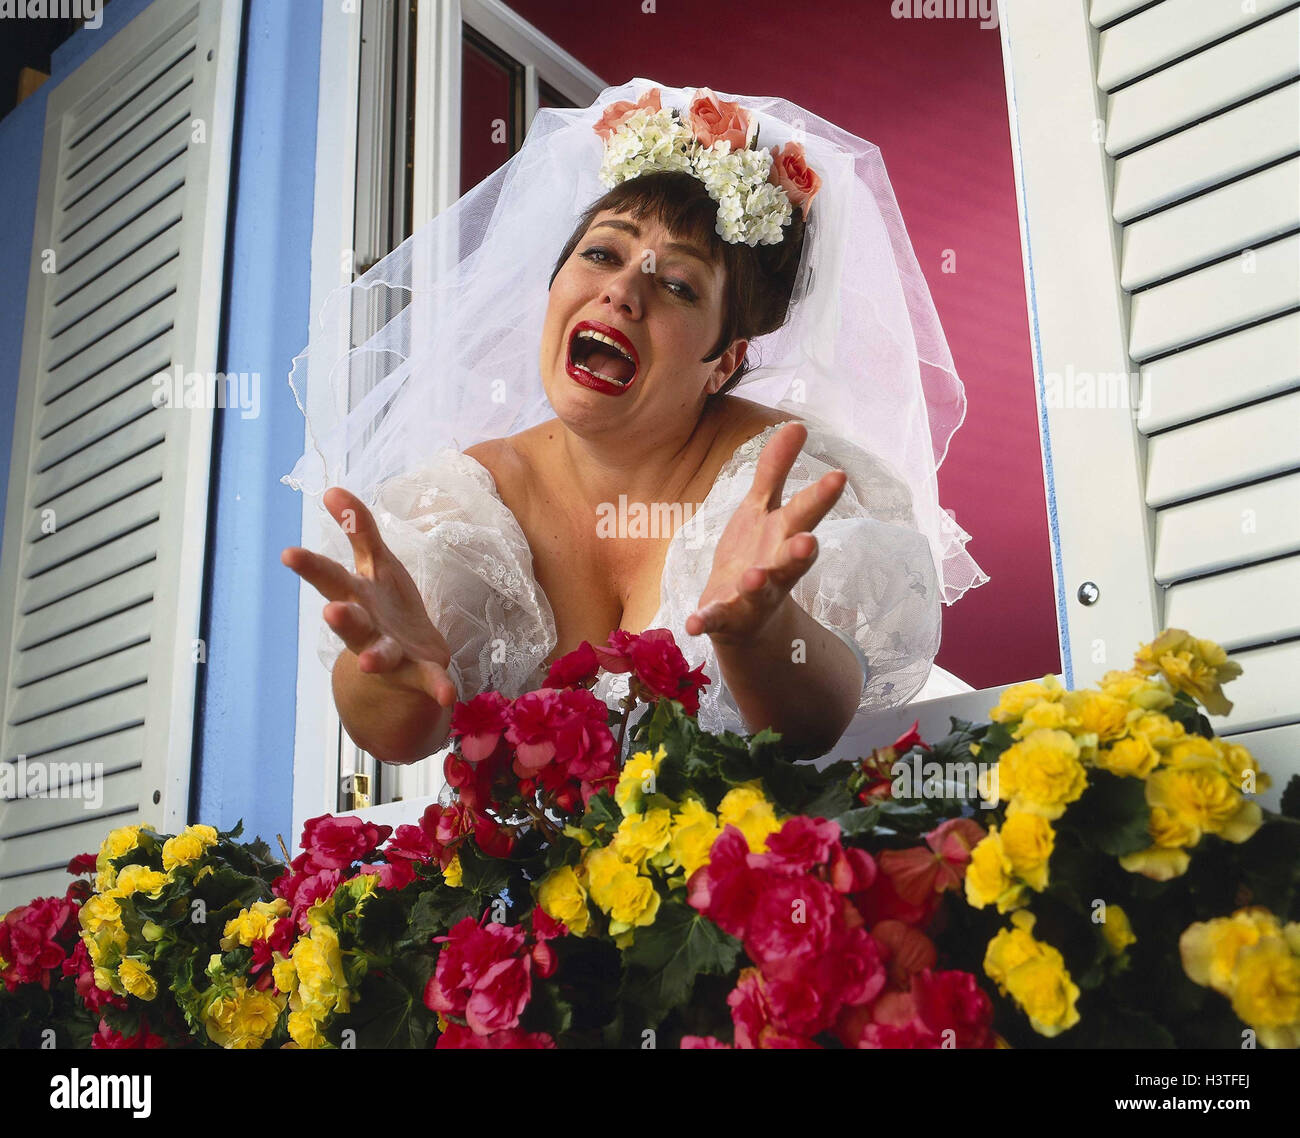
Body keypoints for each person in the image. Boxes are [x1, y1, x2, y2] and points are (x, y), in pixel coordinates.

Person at [280, 81, 988, 769]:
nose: (622, 290)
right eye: (600, 254)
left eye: (678, 285)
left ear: (724, 362)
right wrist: (387, 673)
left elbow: (813, 723)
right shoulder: (462, 505)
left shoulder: (785, 485)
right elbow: (398, 734)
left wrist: (766, 633)